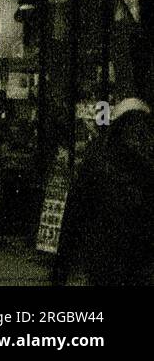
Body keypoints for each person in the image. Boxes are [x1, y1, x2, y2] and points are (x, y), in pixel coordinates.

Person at [56, 97, 154, 285]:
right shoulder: (147, 157)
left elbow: (75, 212)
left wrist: (62, 267)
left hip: (104, 256)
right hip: (142, 259)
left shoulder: (99, 156)